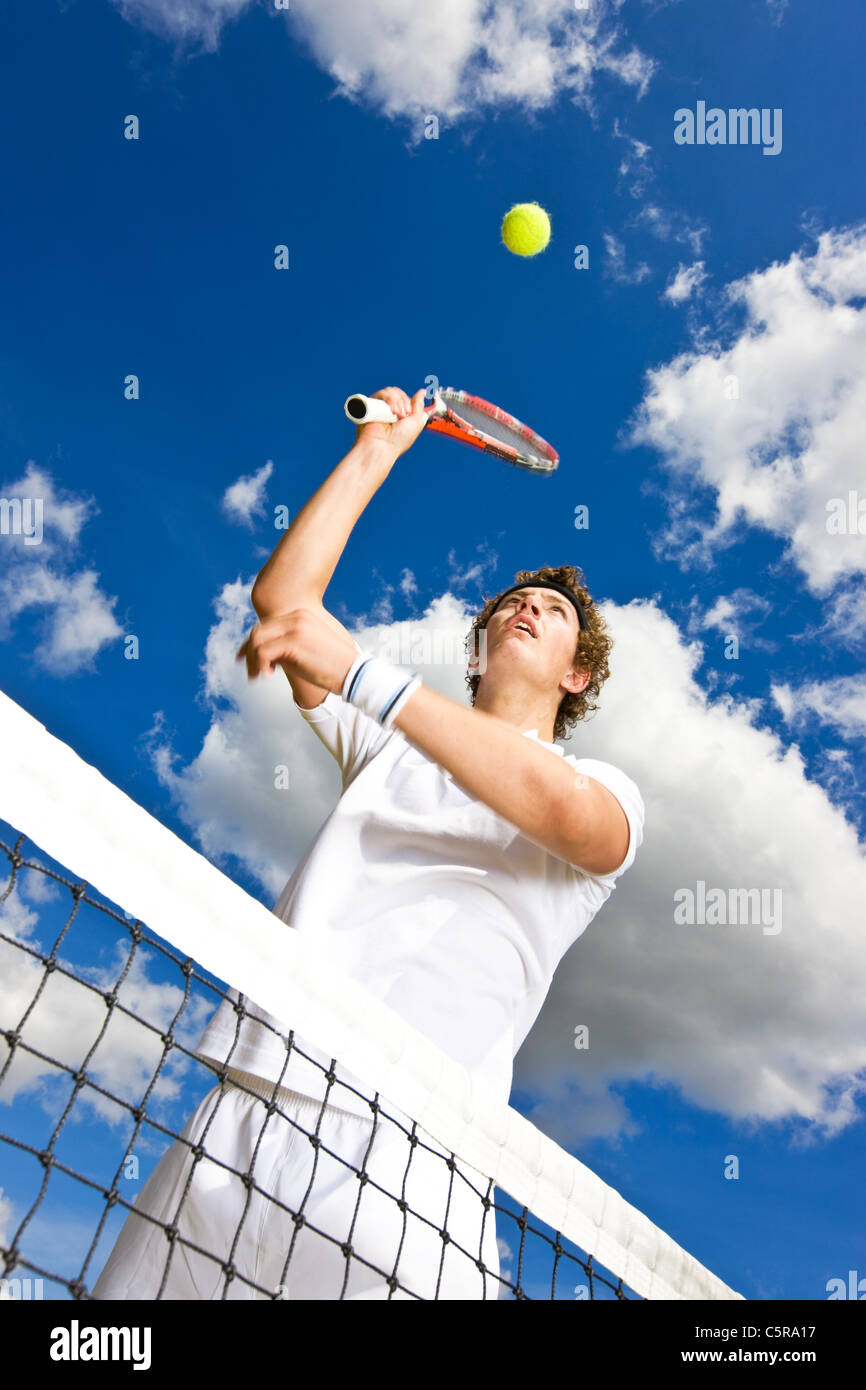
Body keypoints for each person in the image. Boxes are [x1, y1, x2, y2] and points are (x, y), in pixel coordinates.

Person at [93, 386, 644, 1302]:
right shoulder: (388, 746)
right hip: (248, 1102)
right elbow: (285, 605)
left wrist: (362, 675)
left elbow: (565, 814)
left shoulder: (604, 791)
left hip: (414, 1162)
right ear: (474, 649)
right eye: (516, 598)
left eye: (553, 611)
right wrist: (378, 452)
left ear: (578, 672)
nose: (528, 606)